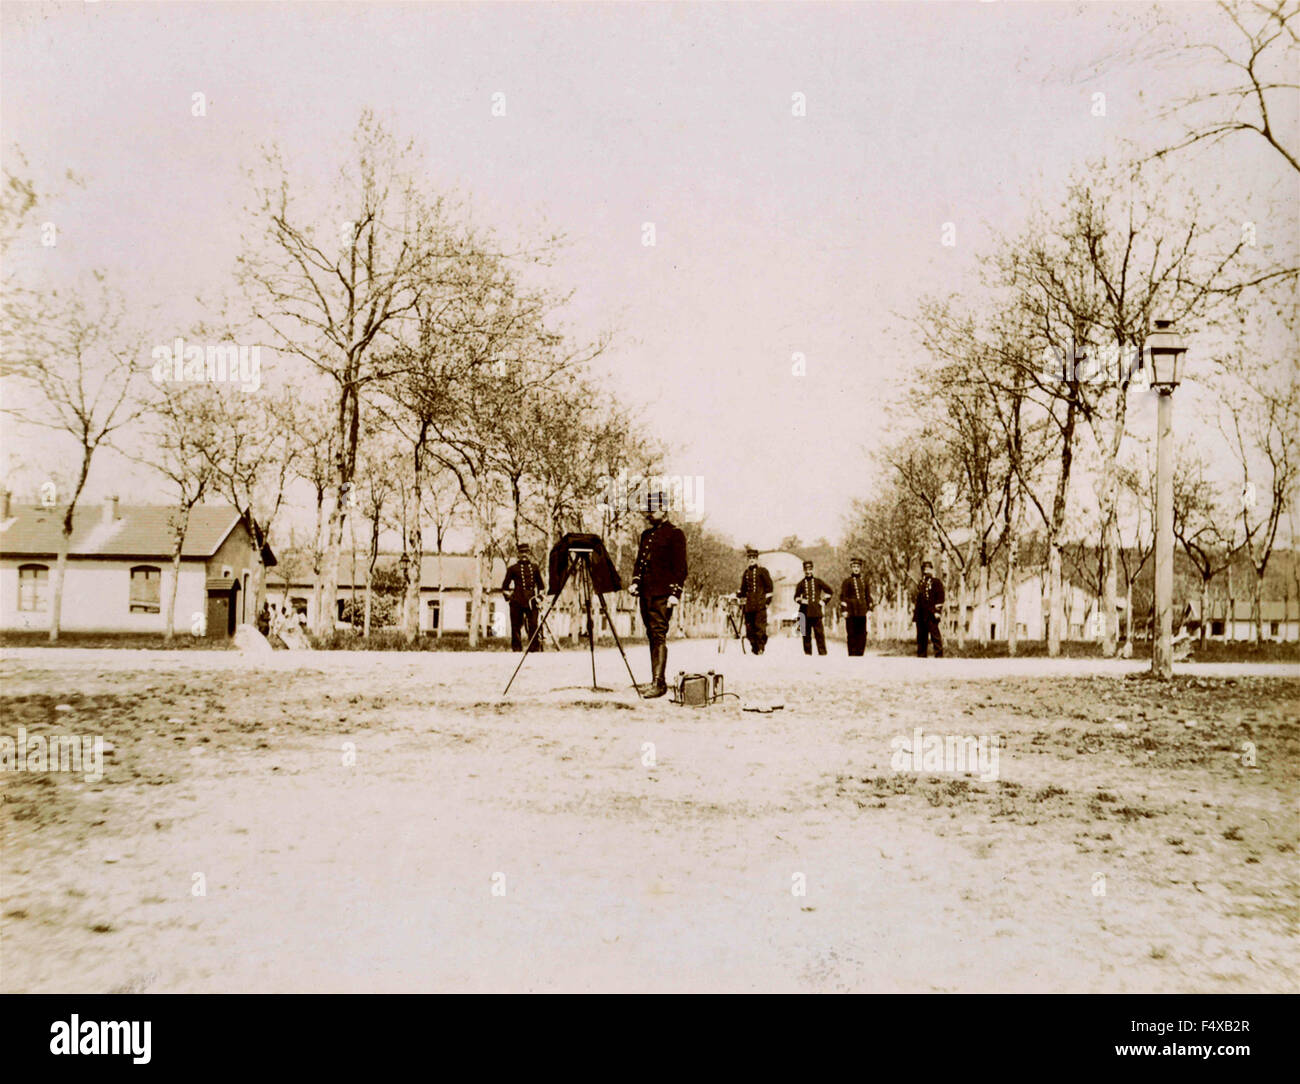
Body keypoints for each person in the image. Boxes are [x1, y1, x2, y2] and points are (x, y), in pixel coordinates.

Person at [629, 490, 688, 697]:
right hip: (646, 593)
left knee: (659, 634)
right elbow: (640, 562)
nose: (648, 514)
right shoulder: (646, 535)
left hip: (663, 594)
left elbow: (681, 568)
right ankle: (655, 679)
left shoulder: (675, 534)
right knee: (651, 635)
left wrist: (675, 594)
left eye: (652, 510)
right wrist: (636, 582)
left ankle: (659, 683)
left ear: (664, 510)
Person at [501, 542, 546, 652]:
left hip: (532, 601)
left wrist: (539, 598)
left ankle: (534, 648)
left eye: (526, 552)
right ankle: (516, 649)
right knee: (515, 626)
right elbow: (504, 587)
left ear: (530, 553)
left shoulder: (535, 568)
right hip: (517, 601)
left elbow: (541, 586)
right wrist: (511, 597)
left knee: (534, 625)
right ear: (518, 554)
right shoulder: (512, 569)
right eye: (522, 552)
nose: (524, 554)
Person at [736, 547, 773, 655]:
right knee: (749, 629)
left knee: (760, 628)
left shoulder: (763, 571)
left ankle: (761, 648)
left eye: (753, 558)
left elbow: (769, 588)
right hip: (749, 606)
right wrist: (737, 594)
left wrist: (766, 603)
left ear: (757, 559)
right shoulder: (746, 573)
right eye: (750, 558)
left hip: (760, 605)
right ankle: (754, 647)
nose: (751, 560)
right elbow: (743, 590)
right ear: (748, 559)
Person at [793, 559, 833, 656]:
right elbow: (796, 597)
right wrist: (801, 601)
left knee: (819, 634)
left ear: (812, 569)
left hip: (816, 612)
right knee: (806, 635)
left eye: (810, 569)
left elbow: (830, 591)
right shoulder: (801, 583)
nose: (808, 571)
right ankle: (808, 655)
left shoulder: (818, 582)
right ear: (804, 570)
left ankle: (823, 654)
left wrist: (823, 601)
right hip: (804, 612)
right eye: (806, 569)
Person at [839, 556, 873, 657]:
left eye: (858, 566)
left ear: (860, 568)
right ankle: (852, 656)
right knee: (851, 634)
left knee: (862, 634)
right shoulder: (847, 582)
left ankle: (860, 655)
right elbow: (843, 597)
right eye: (854, 566)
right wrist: (844, 610)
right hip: (851, 611)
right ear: (851, 568)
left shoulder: (864, 581)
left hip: (862, 611)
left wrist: (870, 608)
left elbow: (868, 596)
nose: (856, 569)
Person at [914, 559, 945, 658]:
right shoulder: (921, 583)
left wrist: (937, 611)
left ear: (932, 570)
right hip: (921, 614)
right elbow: (919, 600)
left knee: (935, 636)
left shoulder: (936, 582)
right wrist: (916, 615)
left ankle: (939, 656)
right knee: (921, 637)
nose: (926, 571)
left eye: (928, 569)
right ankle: (921, 656)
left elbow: (940, 597)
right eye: (924, 569)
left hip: (931, 613)